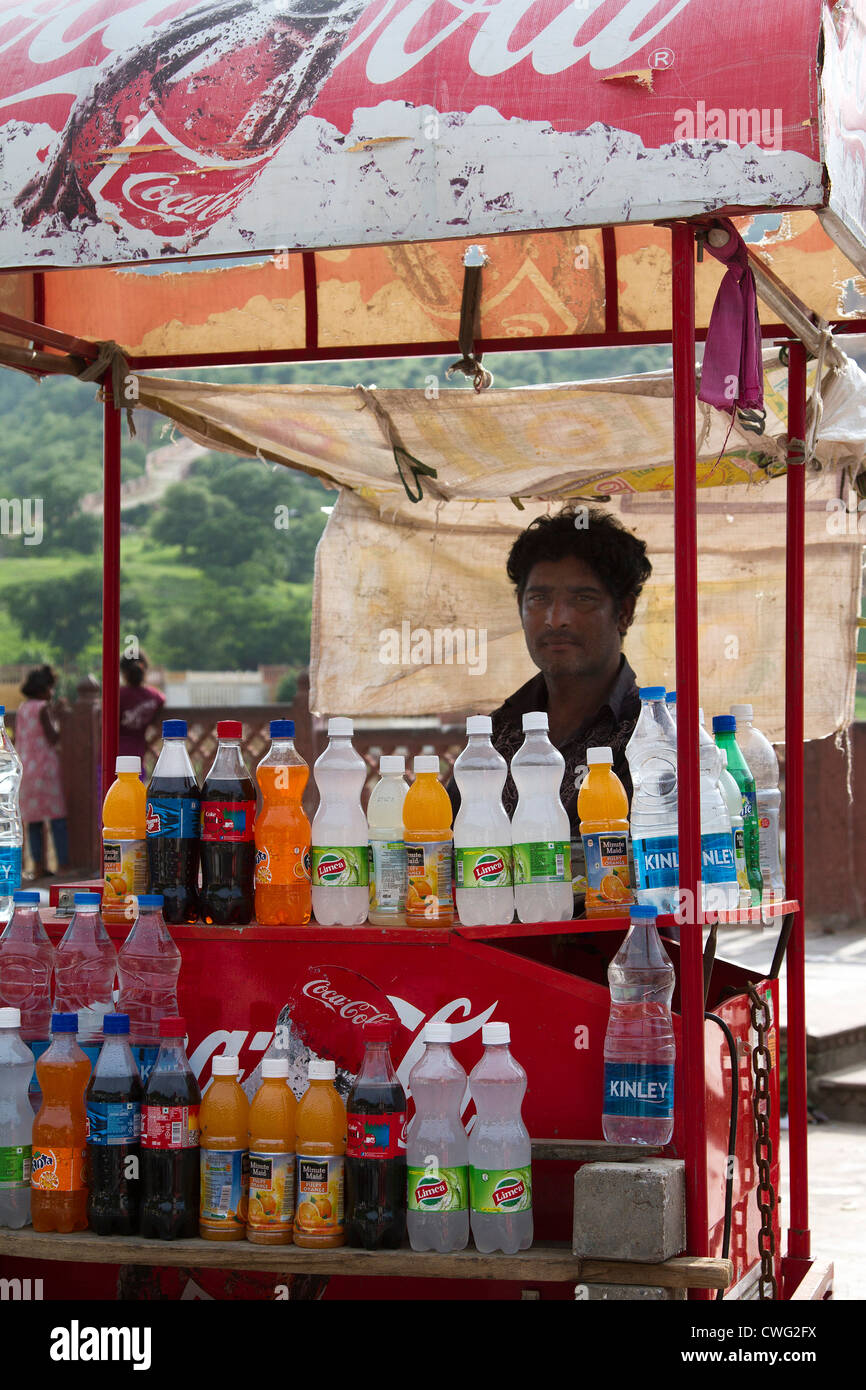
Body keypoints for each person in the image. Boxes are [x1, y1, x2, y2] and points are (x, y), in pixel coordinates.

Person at [449, 506, 651, 838]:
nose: (556, 619)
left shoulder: (652, 739)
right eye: (539, 598)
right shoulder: (496, 736)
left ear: (623, 612)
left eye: (582, 598)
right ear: (520, 606)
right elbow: (439, 857)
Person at [15, 666, 70, 881]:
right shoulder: (43, 707)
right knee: (57, 818)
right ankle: (63, 865)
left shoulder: (22, 708)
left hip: (26, 767)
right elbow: (52, 737)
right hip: (45, 769)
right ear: (42, 689)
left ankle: (37, 866)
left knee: (33, 819)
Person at [119, 652, 166, 763]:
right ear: (145, 671)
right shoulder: (153, 696)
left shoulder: (118, 695)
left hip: (113, 758)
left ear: (123, 673)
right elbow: (162, 699)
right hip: (137, 759)